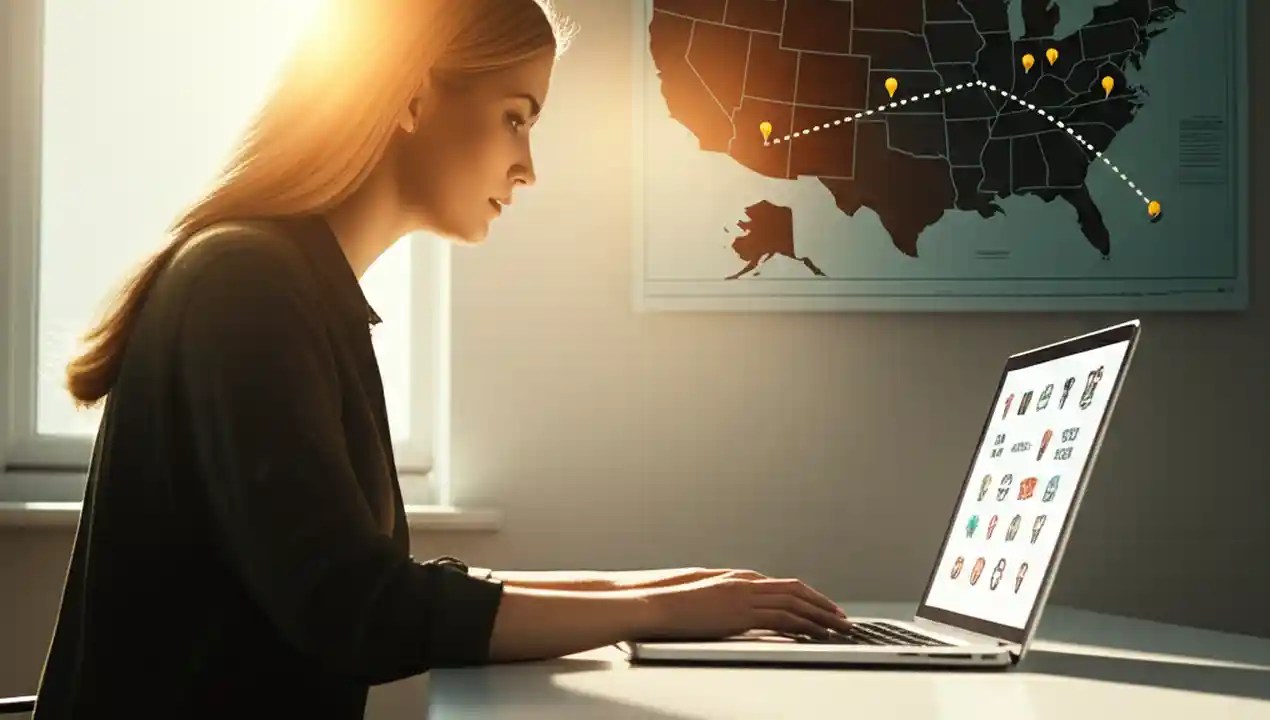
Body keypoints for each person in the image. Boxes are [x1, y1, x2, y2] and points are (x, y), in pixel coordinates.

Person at [35, 0, 850, 716]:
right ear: (417, 95)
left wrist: (662, 590)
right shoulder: (246, 286)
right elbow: (360, 611)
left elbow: (369, 582)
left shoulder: (302, 293)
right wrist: (660, 614)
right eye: (517, 116)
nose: (528, 167)